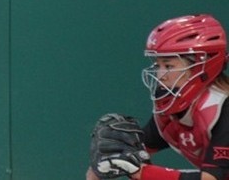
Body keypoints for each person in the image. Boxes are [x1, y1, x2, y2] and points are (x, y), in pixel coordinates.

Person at [86, 14, 229, 180]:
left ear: (202, 67)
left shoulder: (222, 108)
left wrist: (141, 173)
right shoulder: (173, 111)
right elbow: (136, 152)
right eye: (158, 65)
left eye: (168, 65)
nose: (160, 75)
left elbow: (211, 179)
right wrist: (102, 166)